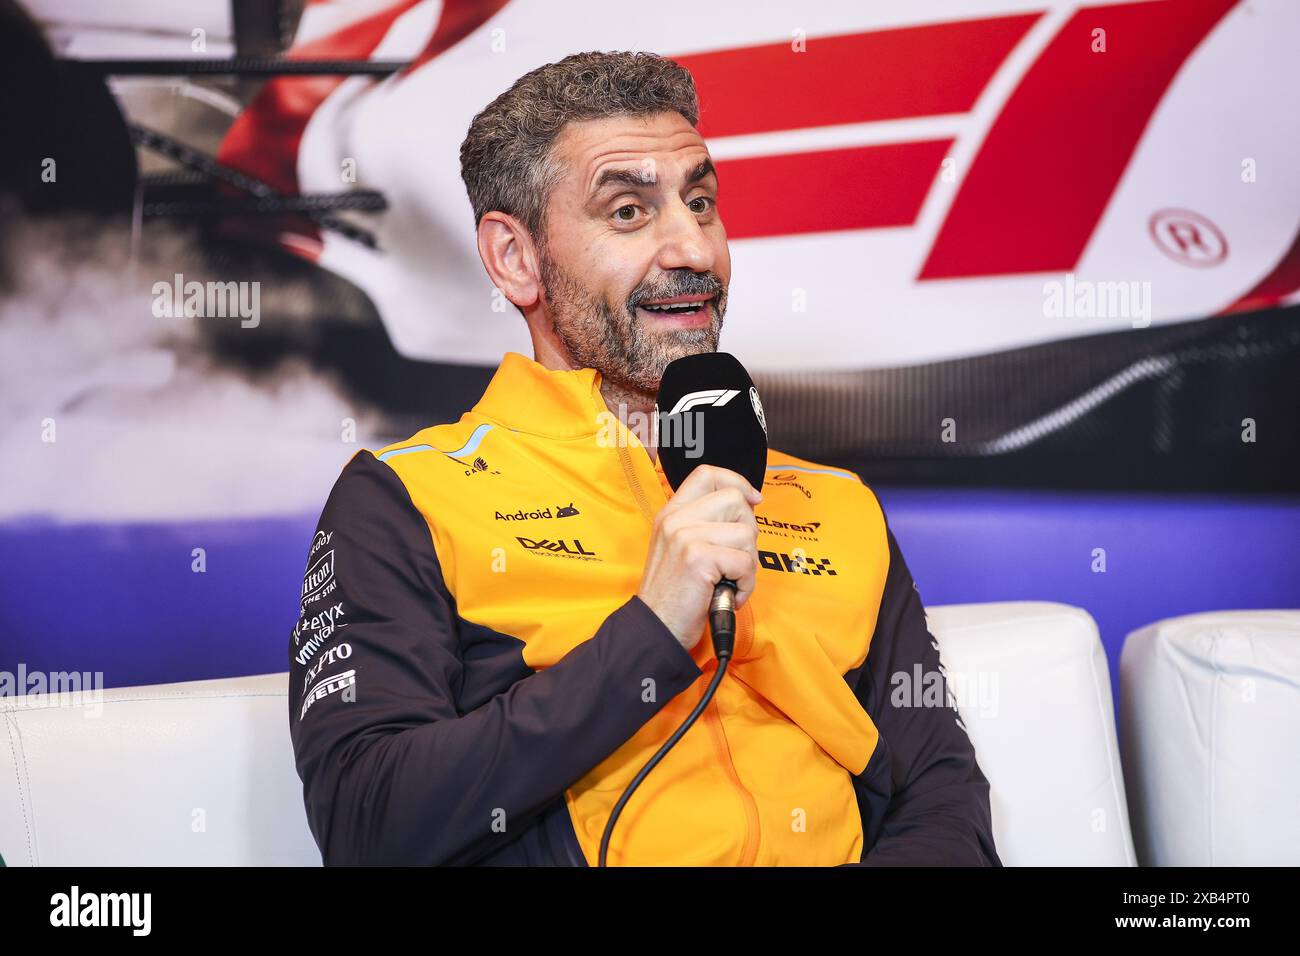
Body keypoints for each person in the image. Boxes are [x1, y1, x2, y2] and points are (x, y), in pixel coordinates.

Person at [288, 51, 1000, 867]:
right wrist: (654, 629)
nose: (693, 248)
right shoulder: (407, 499)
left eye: (702, 202)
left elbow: (943, 793)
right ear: (515, 260)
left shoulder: (838, 504)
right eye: (629, 212)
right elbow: (369, 821)